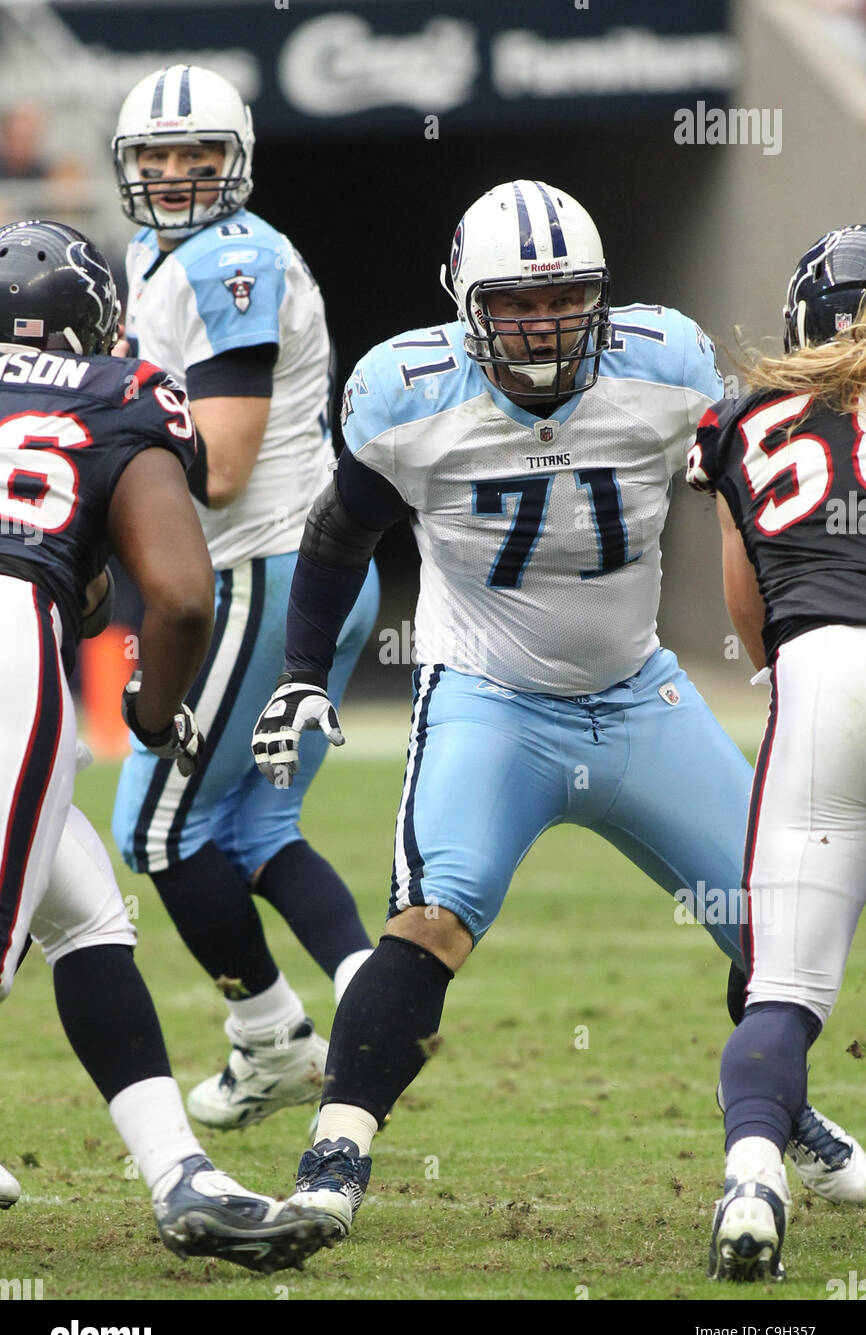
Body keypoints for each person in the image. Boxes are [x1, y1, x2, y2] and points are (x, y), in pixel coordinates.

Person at [249, 181, 866, 1249]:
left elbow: (761, 484)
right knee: (430, 918)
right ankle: (332, 1160)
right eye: (518, 304)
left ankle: (779, 1120)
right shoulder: (407, 388)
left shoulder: (663, 363)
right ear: (462, 304)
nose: (544, 324)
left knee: (773, 924)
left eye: (567, 298)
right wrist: (305, 669)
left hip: (639, 693)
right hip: (489, 699)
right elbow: (338, 530)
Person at [0, 218, 329, 1271]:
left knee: (86, 910)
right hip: (9, 641)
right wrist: (149, 708)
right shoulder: (119, 391)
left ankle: (181, 1173)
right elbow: (183, 598)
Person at [109, 65, 380, 1130]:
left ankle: (269, 1036)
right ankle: (371, 985)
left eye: (199, 157)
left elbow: (218, 465)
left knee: (160, 831)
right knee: (257, 822)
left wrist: (104, 447)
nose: (176, 177)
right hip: (297, 571)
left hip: (260, 575)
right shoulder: (161, 251)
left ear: (239, 160)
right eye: (156, 161)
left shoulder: (231, 260)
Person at [688, 224, 866, 1280]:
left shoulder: (742, 420)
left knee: (782, 993)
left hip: (820, 671)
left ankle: (752, 1181)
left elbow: (746, 610)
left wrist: (784, 685)